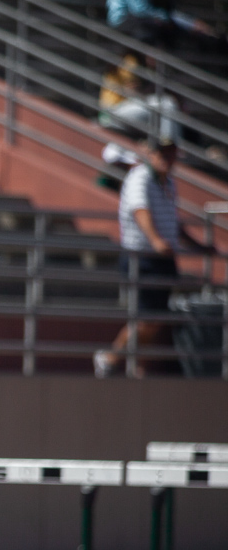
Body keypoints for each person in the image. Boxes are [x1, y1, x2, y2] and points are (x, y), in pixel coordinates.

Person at [95, 138, 216, 378]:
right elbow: (139, 210)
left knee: (156, 317)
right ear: (151, 154)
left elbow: (172, 221)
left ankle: (134, 364)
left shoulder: (167, 182)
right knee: (147, 316)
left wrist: (197, 246)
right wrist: (156, 240)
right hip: (142, 256)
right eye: (161, 153)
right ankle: (111, 358)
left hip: (161, 258)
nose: (166, 159)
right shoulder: (140, 177)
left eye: (170, 153)